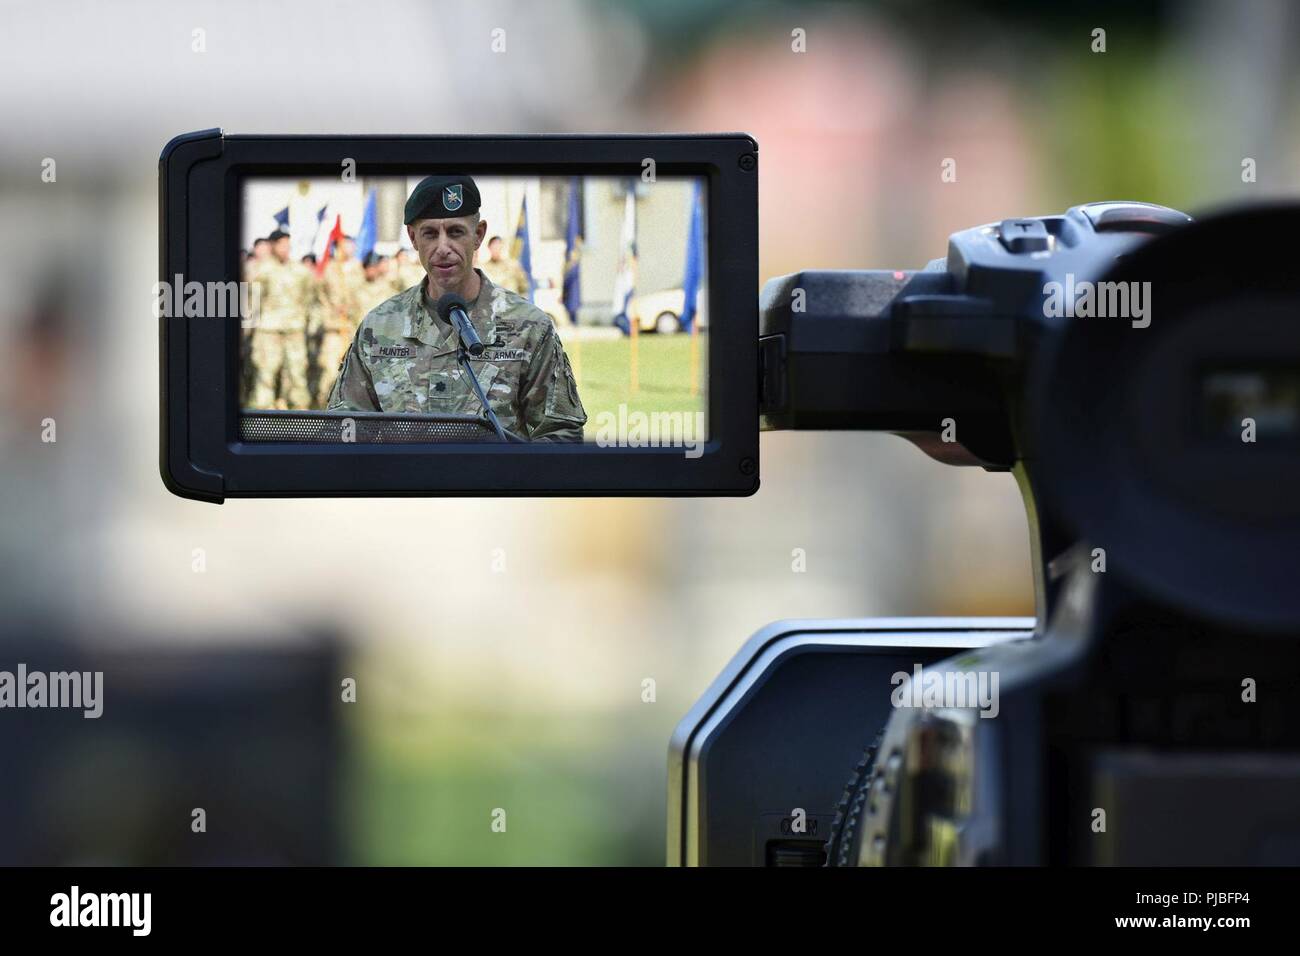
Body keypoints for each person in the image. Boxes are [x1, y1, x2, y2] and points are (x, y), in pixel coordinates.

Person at [328, 174, 586, 441]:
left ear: (478, 235)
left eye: (455, 232)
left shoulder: (529, 326)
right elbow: (344, 427)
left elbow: (562, 434)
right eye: (430, 234)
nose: (443, 248)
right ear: (413, 238)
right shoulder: (379, 326)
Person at [248, 229, 312, 409]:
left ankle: (300, 409)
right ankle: (263, 409)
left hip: (294, 328)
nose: (285, 248)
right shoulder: (262, 270)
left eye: (287, 244)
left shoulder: (300, 271)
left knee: (297, 370)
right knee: (266, 371)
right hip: (269, 328)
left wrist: (302, 318)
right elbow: (254, 300)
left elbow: (307, 296)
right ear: (273, 246)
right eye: (281, 244)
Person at [313, 236, 364, 407]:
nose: (349, 249)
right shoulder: (330, 269)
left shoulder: (358, 268)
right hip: (334, 329)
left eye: (351, 245)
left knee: (353, 371)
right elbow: (320, 296)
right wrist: (332, 312)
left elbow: (360, 298)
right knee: (329, 370)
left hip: (353, 328)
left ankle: (346, 406)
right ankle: (324, 404)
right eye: (345, 246)